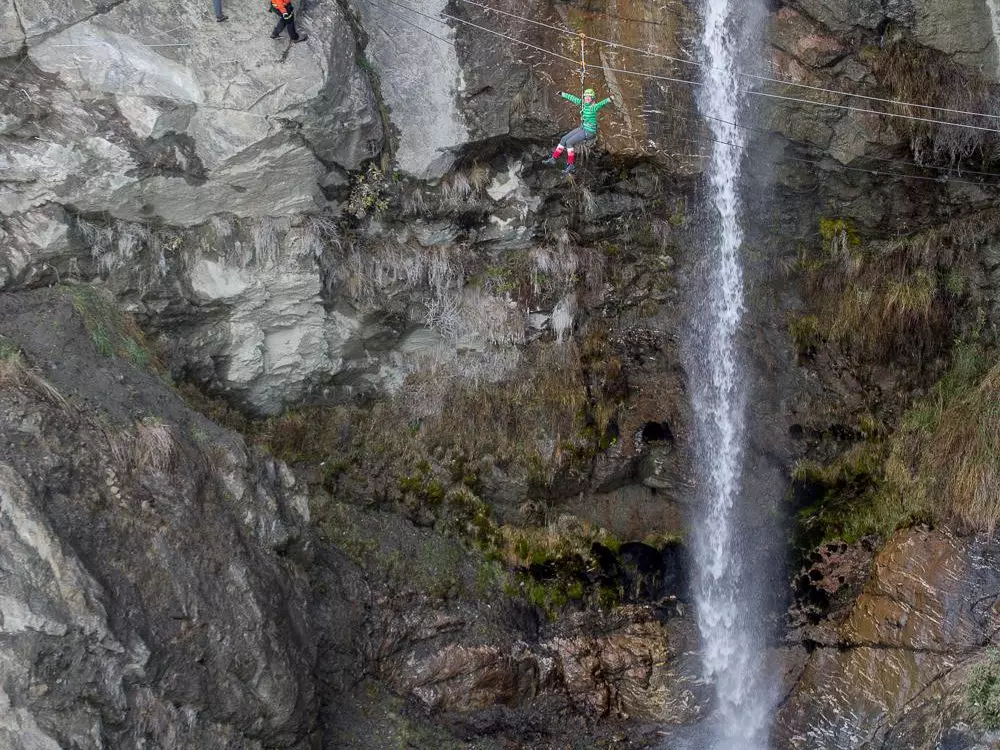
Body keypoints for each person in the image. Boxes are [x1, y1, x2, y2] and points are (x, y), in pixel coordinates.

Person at [543, 88, 614, 174]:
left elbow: (602, 103)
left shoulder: (594, 107)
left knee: (569, 142)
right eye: (586, 97)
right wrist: (562, 94)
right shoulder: (583, 104)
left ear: (592, 99)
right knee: (563, 139)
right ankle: (553, 159)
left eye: (589, 97)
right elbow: (573, 98)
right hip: (583, 128)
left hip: (589, 132)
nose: (587, 98)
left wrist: (610, 98)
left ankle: (571, 165)